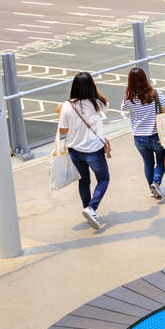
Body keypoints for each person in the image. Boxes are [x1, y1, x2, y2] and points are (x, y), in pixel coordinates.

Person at [57, 72, 111, 231]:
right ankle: (91, 208)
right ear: (91, 86)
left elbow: (63, 130)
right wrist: (95, 89)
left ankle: (88, 210)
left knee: (84, 181)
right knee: (103, 179)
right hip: (94, 150)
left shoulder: (66, 106)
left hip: (75, 150)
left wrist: (61, 114)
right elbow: (107, 104)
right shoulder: (96, 103)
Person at [121, 66, 165, 200]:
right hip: (156, 135)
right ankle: (156, 183)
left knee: (148, 163)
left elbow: (123, 107)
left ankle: (152, 188)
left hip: (139, 137)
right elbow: (164, 114)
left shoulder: (129, 98)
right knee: (161, 160)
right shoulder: (156, 93)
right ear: (145, 78)